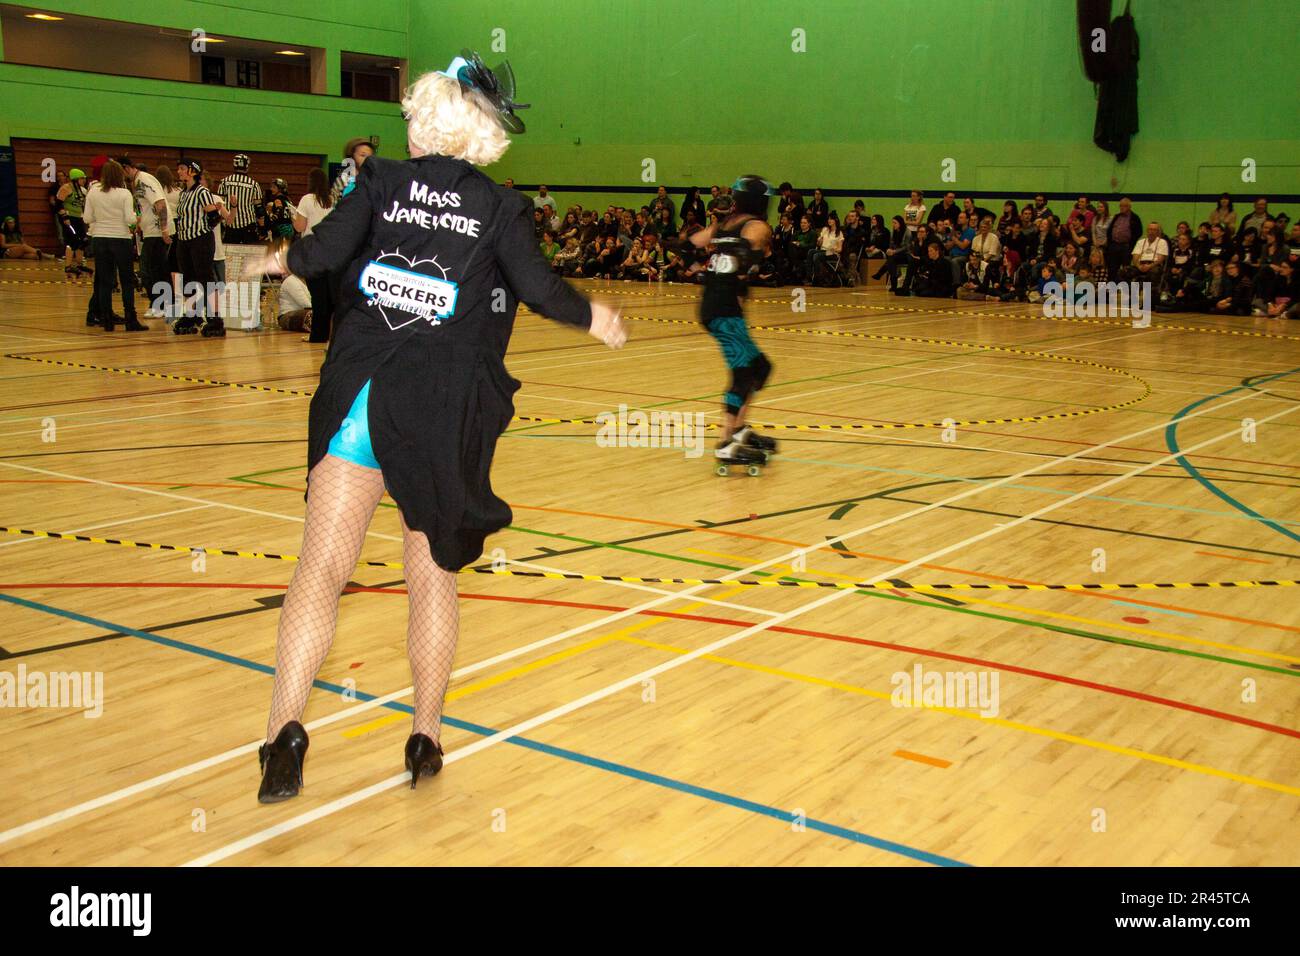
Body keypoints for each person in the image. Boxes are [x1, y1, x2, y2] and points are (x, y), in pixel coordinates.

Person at [247, 51, 626, 802]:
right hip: (442, 414)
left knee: (320, 571)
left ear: (424, 121)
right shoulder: (498, 207)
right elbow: (541, 290)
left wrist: (272, 258)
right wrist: (597, 317)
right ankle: (425, 736)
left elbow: (319, 255)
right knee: (432, 579)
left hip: (361, 394)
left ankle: (283, 735)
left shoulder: (379, 182)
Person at [689, 175, 776, 468]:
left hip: (717, 306)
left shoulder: (724, 224)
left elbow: (689, 244)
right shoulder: (757, 227)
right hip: (723, 310)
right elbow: (747, 254)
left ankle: (739, 430)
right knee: (743, 374)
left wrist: (699, 267)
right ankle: (728, 443)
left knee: (760, 367)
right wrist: (744, 269)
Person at [82, 159, 145, 332]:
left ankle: (106, 320)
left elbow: (87, 218)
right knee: (126, 280)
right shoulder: (124, 194)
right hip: (121, 239)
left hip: (100, 238)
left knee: (104, 281)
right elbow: (130, 220)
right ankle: (131, 319)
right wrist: (137, 218)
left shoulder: (93, 192)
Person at [172, 159, 225, 336]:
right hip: (184, 240)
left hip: (200, 240)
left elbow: (214, 218)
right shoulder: (183, 193)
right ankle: (192, 314)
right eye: (178, 168)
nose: (178, 171)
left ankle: (215, 318)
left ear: (192, 172)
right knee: (188, 279)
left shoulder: (202, 192)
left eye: (182, 169)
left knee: (205, 279)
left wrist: (200, 231)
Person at [293, 167, 336, 343]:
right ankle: (329, 334)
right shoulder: (332, 200)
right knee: (329, 297)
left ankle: (317, 335)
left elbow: (300, 227)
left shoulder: (307, 200)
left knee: (317, 296)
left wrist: (293, 217)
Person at [219, 153, 263, 245]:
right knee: (250, 257)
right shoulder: (253, 184)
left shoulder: (224, 182)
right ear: (247, 167)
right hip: (248, 226)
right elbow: (259, 208)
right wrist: (262, 228)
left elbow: (219, 205)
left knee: (229, 256)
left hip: (229, 226)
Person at [56, 167, 91, 278]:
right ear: (75, 179)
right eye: (82, 178)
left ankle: (80, 264)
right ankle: (68, 266)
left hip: (78, 217)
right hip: (68, 218)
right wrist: (65, 217)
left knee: (83, 240)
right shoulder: (66, 188)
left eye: (84, 178)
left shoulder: (83, 190)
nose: (84, 181)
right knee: (72, 241)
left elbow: (84, 205)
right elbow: (58, 204)